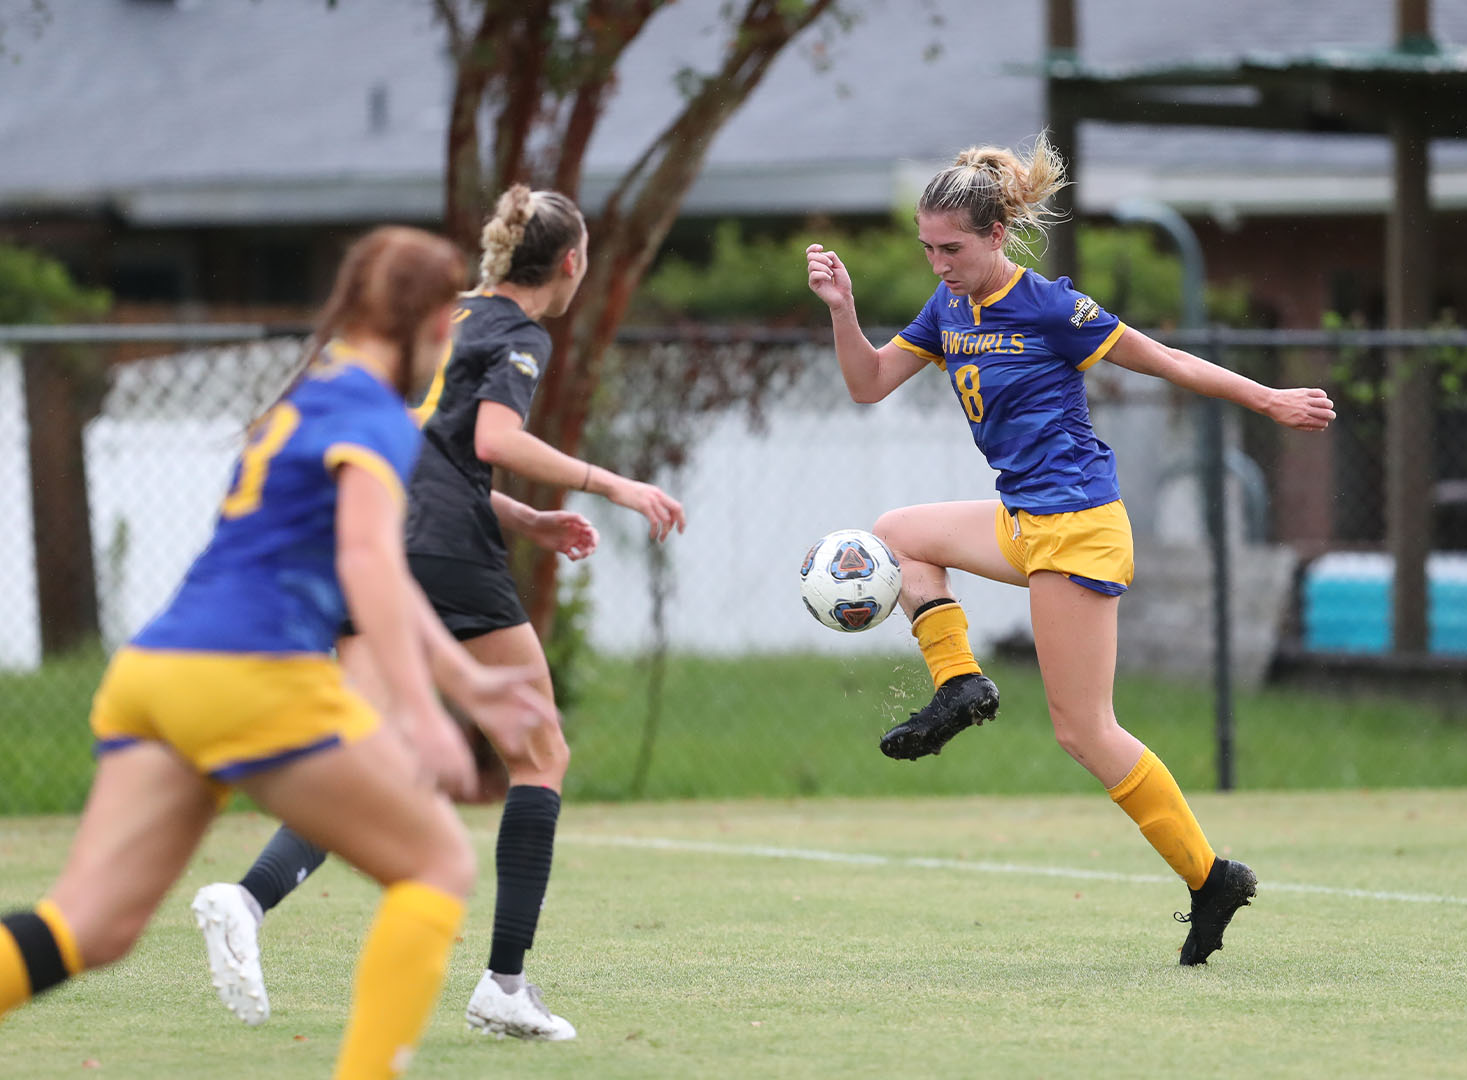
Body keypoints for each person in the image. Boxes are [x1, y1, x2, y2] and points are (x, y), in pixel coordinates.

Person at [0, 226, 555, 1079]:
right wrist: (424, 709)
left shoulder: (312, 390)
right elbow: (369, 564)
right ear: (417, 322)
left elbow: (376, 566)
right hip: (251, 674)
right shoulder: (375, 412)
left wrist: (466, 687)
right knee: (438, 862)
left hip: (157, 671)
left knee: (91, 926)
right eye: (442, 325)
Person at [803, 134, 1335, 965]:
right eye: (928, 249)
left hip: (1079, 525)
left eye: (952, 249)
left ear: (996, 236)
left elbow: (1165, 360)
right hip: (1025, 521)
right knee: (898, 532)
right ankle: (960, 685)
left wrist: (1268, 399)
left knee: (1085, 731)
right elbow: (868, 383)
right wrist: (842, 309)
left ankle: (1212, 878)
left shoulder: (1051, 306)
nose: (938, 264)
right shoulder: (947, 309)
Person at [192, 186, 685, 1041]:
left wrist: (524, 517)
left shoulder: (441, 316)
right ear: (570, 263)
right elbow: (493, 439)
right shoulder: (519, 333)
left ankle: (246, 900)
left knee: (369, 754)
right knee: (538, 751)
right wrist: (612, 484)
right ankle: (504, 984)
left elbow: (429, 453)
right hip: (447, 553)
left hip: (370, 539)